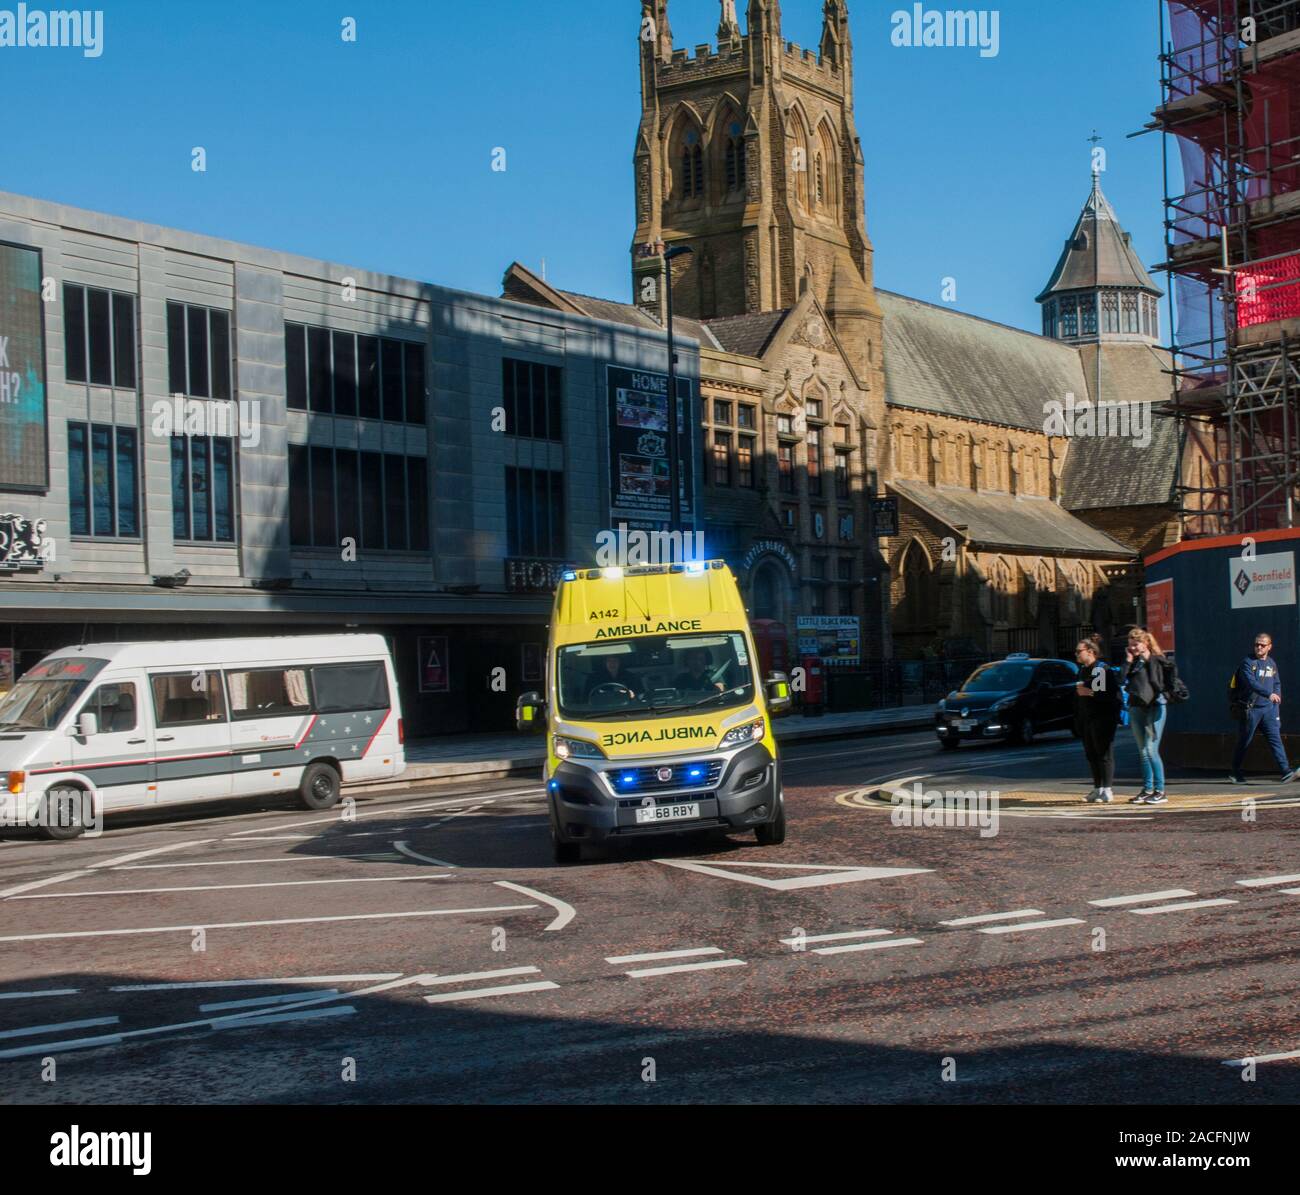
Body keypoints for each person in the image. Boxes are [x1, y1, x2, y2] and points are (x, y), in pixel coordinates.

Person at [1229, 632, 1296, 784]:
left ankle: (1285, 771)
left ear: (1269, 647)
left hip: (1269, 710)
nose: (1259, 647)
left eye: (1262, 645)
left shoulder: (1271, 663)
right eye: (1256, 644)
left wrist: (1276, 696)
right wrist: (1269, 694)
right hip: (1251, 709)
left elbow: (1276, 682)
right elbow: (1252, 683)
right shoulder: (1247, 662)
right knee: (1245, 741)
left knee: (1275, 740)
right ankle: (1235, 771)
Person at [1123, 627, 1174, 805]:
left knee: (1151, 750)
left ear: (1145, 643)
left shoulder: (1157, 660)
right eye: (1130, 646)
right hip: (1137, 707)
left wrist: (1147, 658)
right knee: (1143, 752)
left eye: (1135, 645)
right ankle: (1147, 789)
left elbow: (1156, 681)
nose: (1133, 649)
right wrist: (1128, 661)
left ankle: (1160, 791)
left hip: (1155, 707)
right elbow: (1121, 680)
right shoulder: (1134, 662)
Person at [1074, 637, 1121, 803]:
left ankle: (1107, 790)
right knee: (1091, 753)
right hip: (1087, 717)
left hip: (1103, 717)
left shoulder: (1100, 669)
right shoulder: (1083, 670)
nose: (1076, 654)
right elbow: (1083, 693)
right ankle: (1097, 788)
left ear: (1091, 652)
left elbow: (1100, 694)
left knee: (1103, 753)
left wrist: (1086, 690)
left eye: (1079, 651)